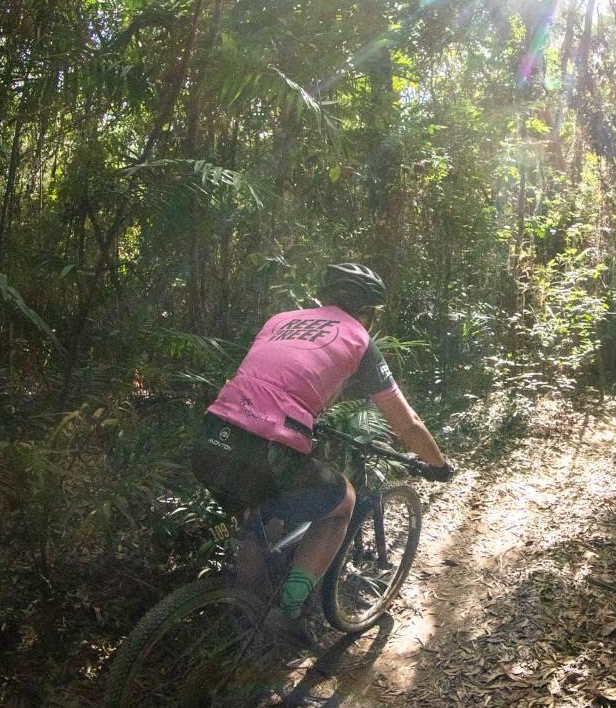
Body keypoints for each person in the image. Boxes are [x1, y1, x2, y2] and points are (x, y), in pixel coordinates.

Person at [192, 263, 453, 648]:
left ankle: (243, 610)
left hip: (212, 438)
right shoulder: (358, 338)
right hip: (269, 449)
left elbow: (270, 380)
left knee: (259, 519)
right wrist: (439, 464)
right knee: (343, 504)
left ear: (326, 295)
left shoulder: (281, 320)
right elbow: (407, 424)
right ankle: (289, 610)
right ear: (366, 311)